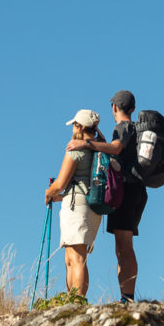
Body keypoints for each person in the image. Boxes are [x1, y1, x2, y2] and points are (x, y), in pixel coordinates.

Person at [68, 89, 145, 301]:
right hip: (137, 190)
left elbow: (116, 148)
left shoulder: (123, 128)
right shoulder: (135, 128)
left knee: (123, 246)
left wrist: (86, 142)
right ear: (133, 108)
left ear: (114, 107)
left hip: (126, 190)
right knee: (125, 244)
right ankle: (127, 297)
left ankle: (127, 299)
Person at [45, 108, 102, 297]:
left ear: (78, 126)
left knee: (76, 258)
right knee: (71, 258)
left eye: (74, 125)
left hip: (76, 207)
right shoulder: (97, 146)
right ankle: (73, 301)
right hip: (90, 205)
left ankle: (78, 302)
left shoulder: (75, 151)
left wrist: (49, 193)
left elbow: (60, 184)